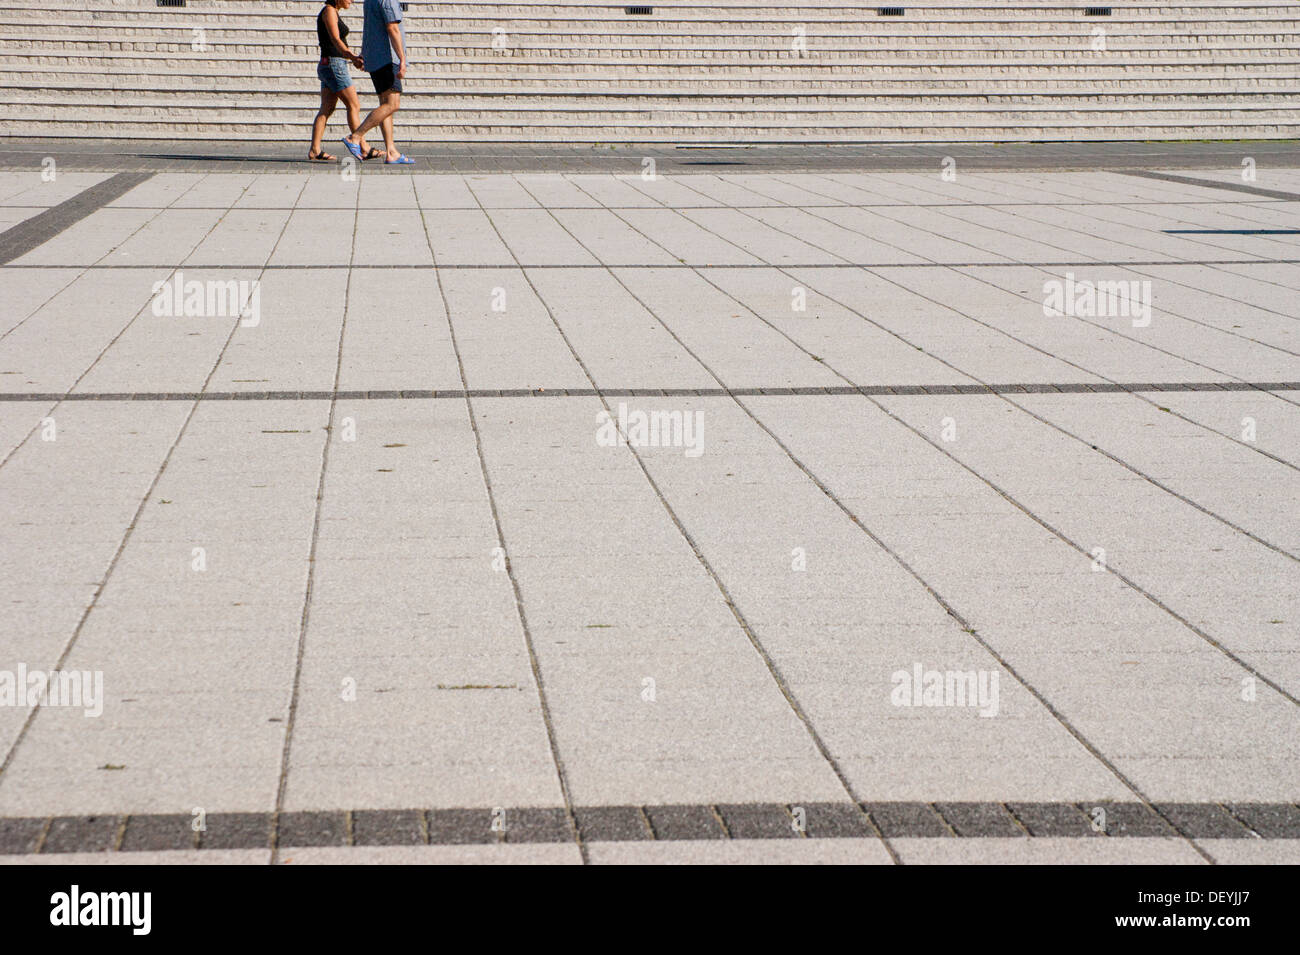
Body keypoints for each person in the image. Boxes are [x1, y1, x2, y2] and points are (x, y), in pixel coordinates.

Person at [341, 0, 414, 165]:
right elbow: (392, 28)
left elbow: (370, 29)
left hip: (375, 59)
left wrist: (364, 54)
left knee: (385, 105)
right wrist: (402, 59)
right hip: (388, 58)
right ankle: (355, 137)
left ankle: (391, 151)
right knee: (392, 104)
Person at [307, 0, 380, 162]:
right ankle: (363, 147)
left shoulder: (332, 11)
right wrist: (352, 56)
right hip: (334, 64)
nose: (351, 1)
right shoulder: (329, 11)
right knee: (353, 105)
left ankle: (315, 150)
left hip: (329, 64)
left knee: (327, 108)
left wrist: (351, 58)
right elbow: (335, 39)